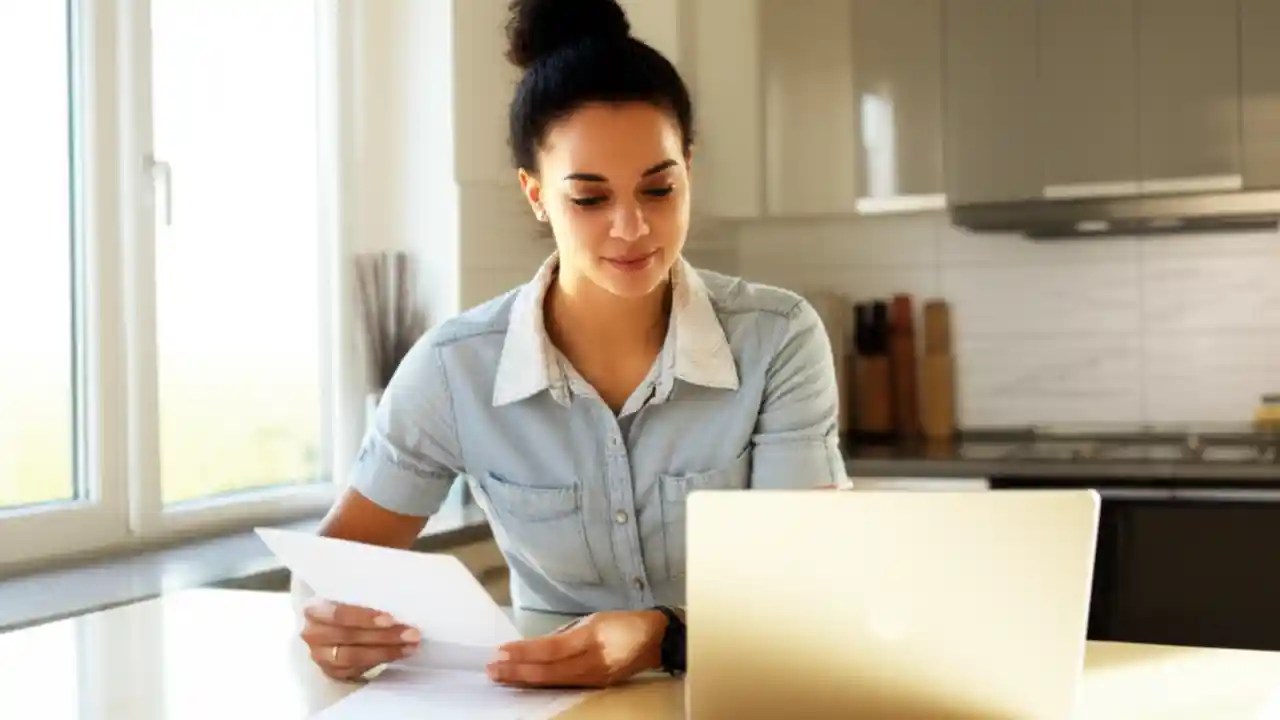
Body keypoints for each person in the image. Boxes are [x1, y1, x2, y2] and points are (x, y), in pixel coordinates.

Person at [296, 0, 846, 689]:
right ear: (535, 194)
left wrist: (660, 637)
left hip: (747, 696)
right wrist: (333, 624)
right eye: (589, 198)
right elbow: (337, 569)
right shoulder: (452, 370)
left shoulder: (778, 340)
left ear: (689, 170)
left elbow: (812, 588)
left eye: (659, 188)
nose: (631, 227)